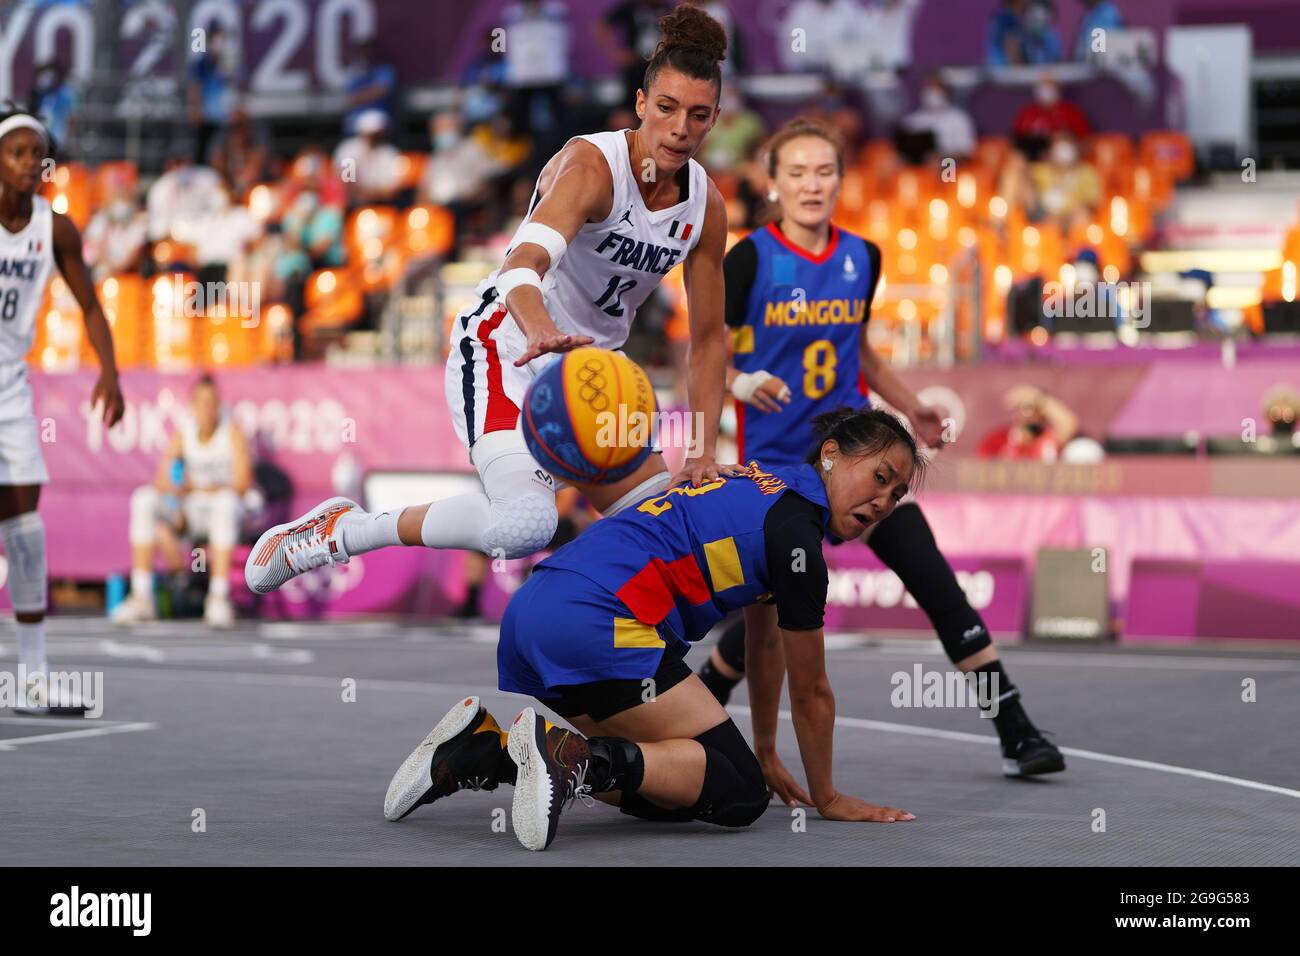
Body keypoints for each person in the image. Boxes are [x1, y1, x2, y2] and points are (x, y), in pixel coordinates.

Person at [246, 5, 733, 594]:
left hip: (590, 376)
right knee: (526, 525)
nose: (680, 127)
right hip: (508, 347)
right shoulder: (592, 168)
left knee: (672, 535)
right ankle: (342, 531)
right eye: (667, 108)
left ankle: (608, 665)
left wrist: (703, 448)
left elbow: (708, 338)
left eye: (698, 115)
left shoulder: (706, 207)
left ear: (714, 122)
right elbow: (519, 267)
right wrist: (540, 332)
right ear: (639, 104)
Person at [698, 118, 1065, 778]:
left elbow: (859, 347)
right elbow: (698, 355)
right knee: (771, 621)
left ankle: (1017, 728)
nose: (812, 185)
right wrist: (738, 379)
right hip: (780, 473)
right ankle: (707, 710)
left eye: (824, 171)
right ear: (773, 183)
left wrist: (909, 404)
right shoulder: (748, 258)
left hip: (860, 454)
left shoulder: (862, 256)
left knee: (932, 576)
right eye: (797, 173)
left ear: (841, 179)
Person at [384, 403, 922, 851]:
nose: (883, 501)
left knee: (681, 792)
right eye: (880, 477)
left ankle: (483, 753)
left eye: (897, 494)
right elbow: (811, 691)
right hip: (598, 619)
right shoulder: (798, 540)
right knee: (738, 793)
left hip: (537, 611)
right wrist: (826, 797)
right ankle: (573, 758)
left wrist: (765, 747)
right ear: (830, 455)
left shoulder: (767, 486)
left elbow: (764, 643)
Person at [0, 110, 123, 713]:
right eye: (18, 152)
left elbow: (93, 307)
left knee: (26, 532)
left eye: (38, 153)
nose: (30, 162)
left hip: (10, 388)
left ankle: (32, 675)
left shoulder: (57, 229)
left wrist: (111, 370)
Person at [112, 375, 255, 627]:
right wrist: (178, 494)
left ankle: (218, 598)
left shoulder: (231, 433)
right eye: (201, 402)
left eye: (212, 402)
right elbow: (161, 480)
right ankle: (142, 596)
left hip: (226, 512)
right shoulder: (183, 434)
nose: (206, 408)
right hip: (192, 510)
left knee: (225, 501)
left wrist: (201, 487)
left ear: (219, 405)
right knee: (143, 499)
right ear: (192, 405)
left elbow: (243, 485)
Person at [900, 74, 977, 160]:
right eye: (928, 89)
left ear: (946, 92)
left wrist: (942, 156)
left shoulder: (959, 118)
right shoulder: (913, 120)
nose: (932, 93)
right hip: (919, 168)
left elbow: (967, 151)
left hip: (950, 166)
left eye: (936, 89)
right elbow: (904, 152)